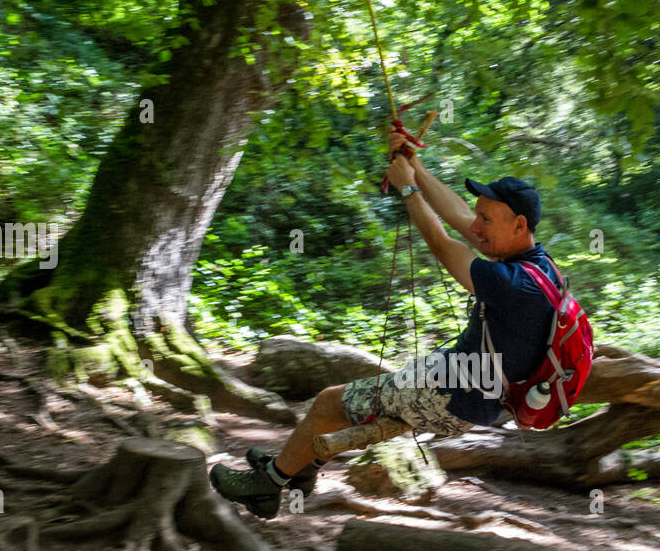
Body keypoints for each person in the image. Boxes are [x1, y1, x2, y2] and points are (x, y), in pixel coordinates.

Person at [209, 124, 563, 519]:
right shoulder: (537, 265)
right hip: (462, 383)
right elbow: (458, 216)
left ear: (519, 225)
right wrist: (415, 165)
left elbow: (443, 245)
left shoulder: (513, 283)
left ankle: (267, 485)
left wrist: (409, 189)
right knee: (336, 404)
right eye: (478, 216)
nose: (475, 226)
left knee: (329, 402)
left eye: (486, 219)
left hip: (456, 395)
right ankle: (300, 465)